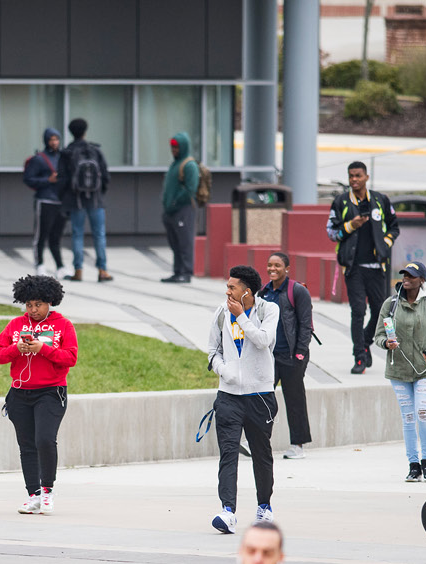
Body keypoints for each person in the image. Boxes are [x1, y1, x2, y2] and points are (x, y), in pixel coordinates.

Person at [0, 275, 79, 515]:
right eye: (29, 304)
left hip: (51, 392)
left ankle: (48, 491)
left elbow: (70, 358)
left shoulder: (63, 325)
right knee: (27, 445)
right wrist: (15, 348)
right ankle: (34, 495)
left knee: (45, 440)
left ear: (50, 301)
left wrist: (44, 348)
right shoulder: (15, 325)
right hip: (20, 394)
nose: (33, 309)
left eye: (38, 304)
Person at [205, 265, 280, 532]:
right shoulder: (221, 312)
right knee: (228, 453)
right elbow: (212, 350)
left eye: (231, 287)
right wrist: (224, 371)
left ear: (246, 291)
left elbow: (263, 340)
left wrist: (242, 317)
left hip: (260, 395)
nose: (226, 291)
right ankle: (228, 511)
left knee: (261, 453)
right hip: (228, 396)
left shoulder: (267, 310)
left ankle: (264, 506)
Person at [380, 262, 426, 482]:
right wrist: (386, 344)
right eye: (404, 275)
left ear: (422, 280)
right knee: (408, 417)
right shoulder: (390, 304)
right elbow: (378, 335)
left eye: (412, 275)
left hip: (425, 370)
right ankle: (413, 465)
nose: (406, 278)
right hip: (398, 371)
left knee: (422, 412)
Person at [327, 161, 398, 374]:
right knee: (357, 311)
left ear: (366, 177)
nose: (354, 180)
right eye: (351, 176)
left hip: (377, 267)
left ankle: (366, 342)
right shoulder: (341, 202)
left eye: (358, 176)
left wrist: (384, 245)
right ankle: (359, 357)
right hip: (353, 267)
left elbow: (394, 227)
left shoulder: (381, 200)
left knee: (381, 311)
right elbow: (331, 232)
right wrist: (351, 225)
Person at [260, 252, 315, 459]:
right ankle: (258, 441)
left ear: (287, 269)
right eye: (269, 265)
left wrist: (300, 353)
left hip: (292, 356)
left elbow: (305, 324)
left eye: (277, 265)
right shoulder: (264, 292)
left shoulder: (297, 291)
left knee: (295, 400)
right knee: (262, 398)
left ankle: (298, 445)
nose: (272, 269)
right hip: (269, 357)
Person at [59, 118, 114, 282]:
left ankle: (78, 270)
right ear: (85, 131)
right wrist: (100, 192)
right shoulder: (95, 150)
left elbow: (62, 178)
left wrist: (65, 198)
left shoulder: (68, 152)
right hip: (96, 200)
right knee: (99, 234)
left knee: (77, 234)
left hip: (77, 201)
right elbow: (105, 176)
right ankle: (102, 270)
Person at [24, 128, 66, 277]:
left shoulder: (63, 157)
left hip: (60, 201)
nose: (54, 142)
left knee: (56, 236)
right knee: (41, 235)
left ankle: (60, 267)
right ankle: (39, 264)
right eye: (51, 139)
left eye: (57, 139)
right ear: (46, 141)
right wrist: (48, 180)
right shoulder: (39, 159)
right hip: (45, 200)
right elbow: (28, 179)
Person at [160, 132, 201, 283]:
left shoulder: (189, 165)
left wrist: (175, 202)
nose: (174, 150)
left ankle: (186, 272)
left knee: (185, 242)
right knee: (175, 243)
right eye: (172, 147)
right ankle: (177, 271)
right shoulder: (174, 164)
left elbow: (191, 189)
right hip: (171, 212)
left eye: (176, 147)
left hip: (183, 210)